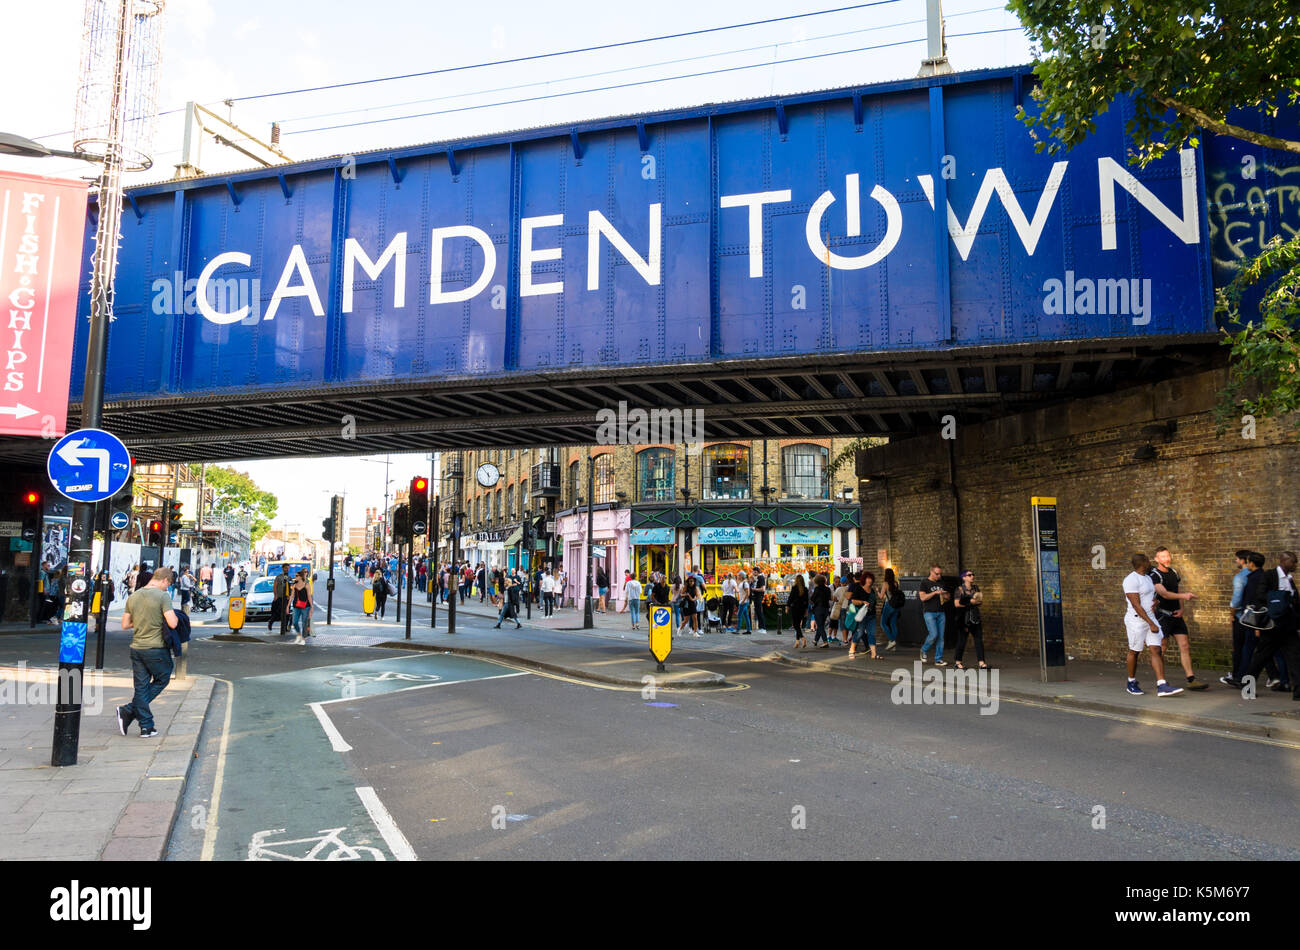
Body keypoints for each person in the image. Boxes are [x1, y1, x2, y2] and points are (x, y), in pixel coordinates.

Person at [116, 567, 179, 739]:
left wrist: (142, 621)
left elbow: (125, 624)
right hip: (155, 648)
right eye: (169, 584)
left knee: (141, 687)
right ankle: (128, 710)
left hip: (136, 648)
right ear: (164, 580)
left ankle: (146, 727)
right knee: (162, 678)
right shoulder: (162, 596)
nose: (168, 588)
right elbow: (172, 623)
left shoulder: (134, 596)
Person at [1233, 552, 1300, 698]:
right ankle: (1247, 688)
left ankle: (1298, 691)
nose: (1295, 564)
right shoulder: (1269, 576)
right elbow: (1260, 597)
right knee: (1260, 658)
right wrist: (1281, 598)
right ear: (1283, 561)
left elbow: (1296, 603)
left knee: (1295, 657)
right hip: (1272, 626)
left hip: (1288, 626)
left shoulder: (1289, 579)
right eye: (1293, 562)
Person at [1123, 553, 1183, 696]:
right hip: (1136, 620)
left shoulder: (1148, 578)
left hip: (1150, 618)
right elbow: (1136, 605)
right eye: (1148, 561)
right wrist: (1151, 624)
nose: (1150, 563)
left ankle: (1162, 685)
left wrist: (1156, 602)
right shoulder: (1130, 580)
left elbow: (1150, 596)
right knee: (1135, 651)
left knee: (1156, 649)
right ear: (1142, 563)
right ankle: (1131, 681)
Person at [1149, 546, 1207, 690]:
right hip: (1162, 615)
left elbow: (1177, 590)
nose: (1166, 559)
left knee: (1185, 646)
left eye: (1167, 556)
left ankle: (1191, 679)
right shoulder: (1154, 575)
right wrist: (1185, 596)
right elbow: (1164, 594)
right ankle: (1161, 681)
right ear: (1156, 559)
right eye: (1162, 557)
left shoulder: (1174, 572)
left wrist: (1181, 608)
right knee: (1162, 648)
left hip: (1176, 616)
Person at [952, 569, 988, 670]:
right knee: (962, 640)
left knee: (979, 639)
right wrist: (970, 602)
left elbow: (979, 602)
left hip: (975, 617)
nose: (972, 576)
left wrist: (977, 601)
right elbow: (956, 604)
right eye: (969, 575)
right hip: (963, 618)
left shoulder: (976, 588)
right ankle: (958, 662)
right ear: (964, 578)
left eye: (973, 574)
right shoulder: (959, 589)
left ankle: (981, 663)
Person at [918, 564, 948, 666]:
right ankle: (924, 649)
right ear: (931, 572)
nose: (939, 576)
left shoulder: (941, 582)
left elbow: (947, 598)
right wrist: (935, 593)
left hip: (941, 612)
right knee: (934, 634)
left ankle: (938, 659)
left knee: (941, 637)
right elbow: (922, 598)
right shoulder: (924, 582)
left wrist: (945, 595)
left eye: (940, 574)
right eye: (937, 574)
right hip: (929, 612)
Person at [880, 568, 902, 652]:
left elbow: (881, 596)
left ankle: (892, 641)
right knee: (893, 624)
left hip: (888, 605)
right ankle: (893, 646)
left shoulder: (885, 584)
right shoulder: (896, 583)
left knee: (883, 623)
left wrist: (878, 591)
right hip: (896, 606)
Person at [806, 574, 831, 650]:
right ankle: (815, 640)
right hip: (826, 608)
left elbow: (812, 598)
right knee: (821, 625)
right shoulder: (828, 589)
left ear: (816, 581)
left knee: (820, 626)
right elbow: (829, 598)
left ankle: (825, 641)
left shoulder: (817, 589)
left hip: (818, 609)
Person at [290, 571, 313, 644]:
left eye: (297, 576)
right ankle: (299, 634)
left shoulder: (307, 585)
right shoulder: (294, 586)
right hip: (296, 606)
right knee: (295, 622)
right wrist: (288, 605)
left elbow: (309, 596)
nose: (295, 577)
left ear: (300, 577)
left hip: (305, 606)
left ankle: (303, 638)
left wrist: (312, 606)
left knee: (304, 623)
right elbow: (292, 596)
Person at [787, 575, 809, 645]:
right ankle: (797, 641)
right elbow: (807, 601)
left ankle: (802, 638)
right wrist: (806, 610)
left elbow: (790, 598)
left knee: (795, 624)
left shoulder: (794, 588)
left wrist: (787, 606)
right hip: (802, 608)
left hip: (795, 608)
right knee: (798, 624)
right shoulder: (805, 589)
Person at [270, 568, 290, 634]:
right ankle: (271, 622)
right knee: (278, 613)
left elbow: (290, 587)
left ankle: (285, 627)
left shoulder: (289, 577)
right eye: (286, 567)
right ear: (283, 568)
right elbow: (274, 586)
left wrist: (289, 595)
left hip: (286, 598)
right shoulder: (278, 577)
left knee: (287, 614)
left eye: (288, 568)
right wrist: (275, 595)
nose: (287, 569)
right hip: (279, 598)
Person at [751, 566, 768, 634]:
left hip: (758, 596)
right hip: (756, 596)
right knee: (758, 612)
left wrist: (754, 589)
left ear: (756, 572)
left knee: (760, 612)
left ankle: (763, 628)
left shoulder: (761, 578)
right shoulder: (758, 578)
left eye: (753, 572)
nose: (752, 573)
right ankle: (761, 627)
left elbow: (763, 589)